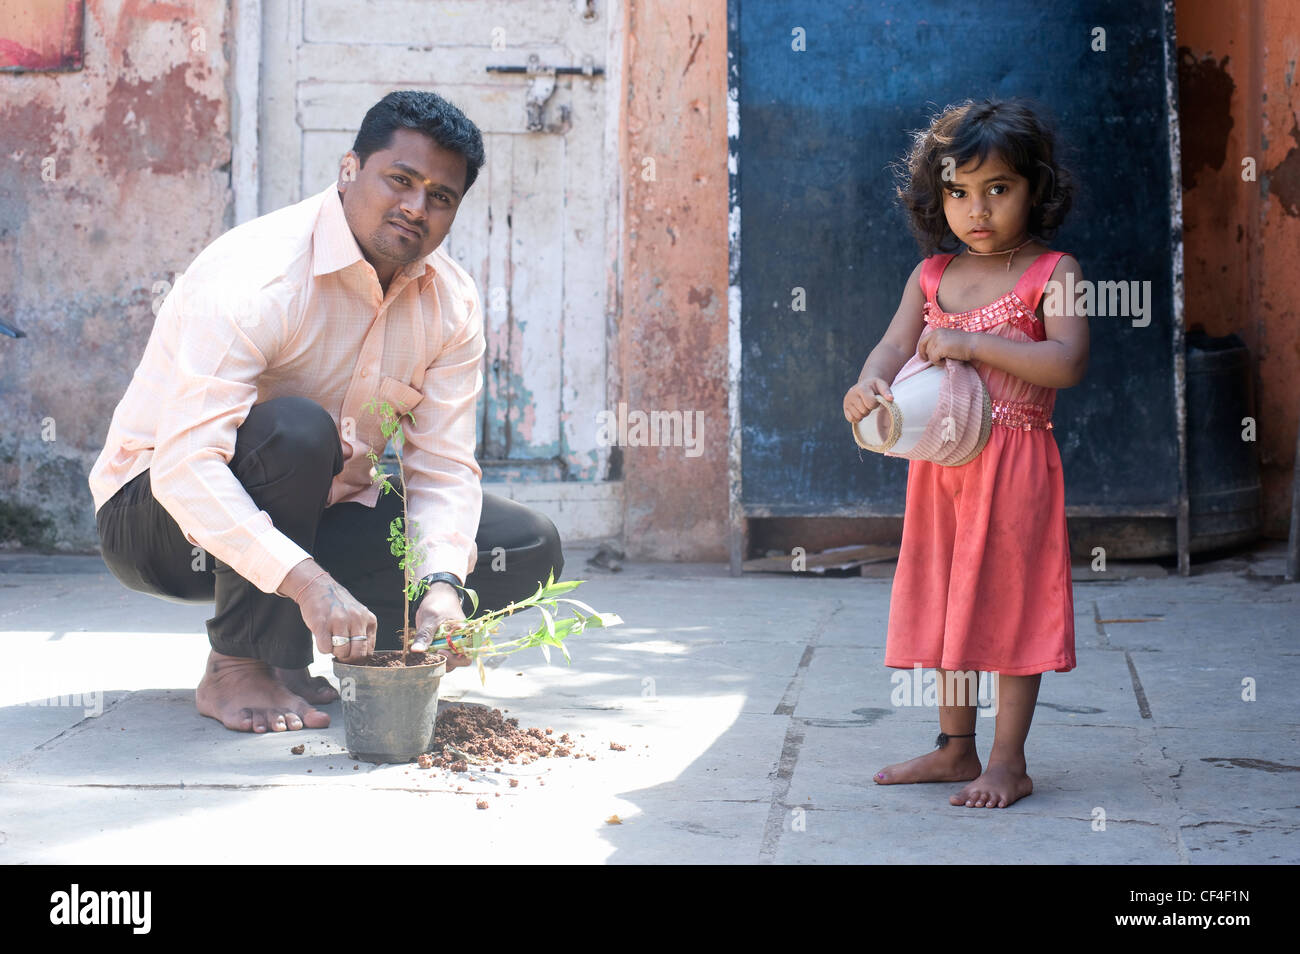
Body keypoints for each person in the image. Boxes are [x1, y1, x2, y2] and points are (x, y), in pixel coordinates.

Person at [89, 90, 563, 735]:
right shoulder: (257, 275)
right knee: (297, 430)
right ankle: (239, 662)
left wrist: (441, 587)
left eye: (441, 196)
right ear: (349, 169)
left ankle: (311, 646)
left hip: (318, 514)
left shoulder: (450, 302)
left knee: (526, 547)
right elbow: (184, 467)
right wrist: (310, 584)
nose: (415, 207)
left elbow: (445, 469)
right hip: (158, 521)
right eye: (400, 179)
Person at [843, 98, 1087, 809]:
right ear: (936, 196)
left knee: (1009, 604)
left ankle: (1008, 762)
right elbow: (892, 346)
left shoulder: (1053, 271)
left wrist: (974, 344)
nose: (976, 209)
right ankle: (956, 749)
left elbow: (1068, 361)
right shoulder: (930, 276)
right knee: (950, 601)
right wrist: (867, 384)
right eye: (957, 191)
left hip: (1015, 466)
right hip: (942, 468)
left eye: (998, 189)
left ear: (1035, 189)